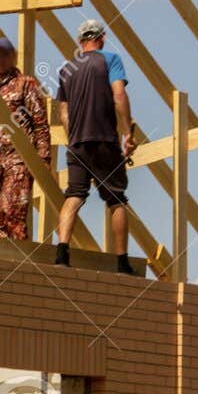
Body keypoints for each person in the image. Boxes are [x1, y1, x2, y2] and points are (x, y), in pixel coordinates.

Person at [53, 19, 137, 274]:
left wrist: (75, 134)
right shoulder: (110, 60)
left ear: (80, 41)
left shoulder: (67, 69)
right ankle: (122, 263)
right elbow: (119, 94)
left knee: (74, 195)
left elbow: (63, 112)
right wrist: (128, 131)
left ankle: (61, 254)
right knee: (116, 198)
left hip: (77, 142)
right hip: (104, 140)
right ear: (102, 37)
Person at [0, 36, 52, 240]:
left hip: (20, 160)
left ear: (12, 56)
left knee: (14, 215)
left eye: (5, 54)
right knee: (0, 220)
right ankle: (2, 259)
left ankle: (19, 257)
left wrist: (44, 159)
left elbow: (40, 124)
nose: (0, 59)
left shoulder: (25, 84)